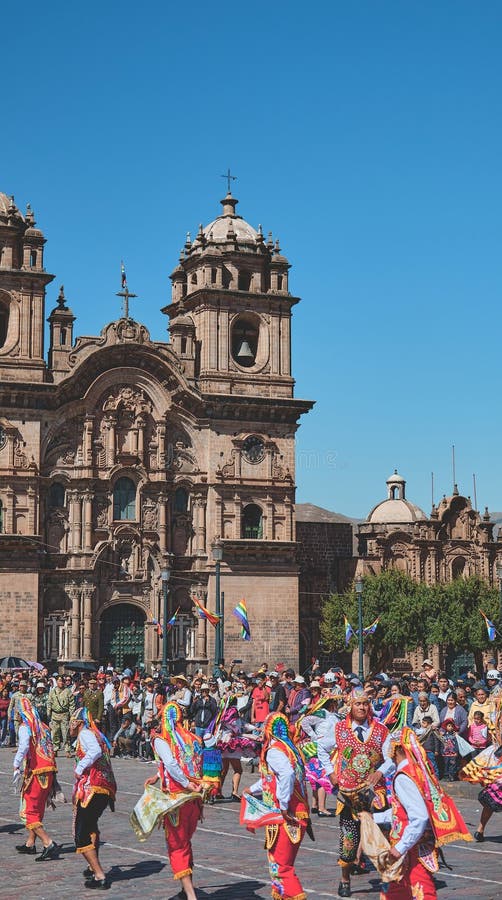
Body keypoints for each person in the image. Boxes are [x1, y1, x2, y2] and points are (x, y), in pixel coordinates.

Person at [373, 726, 472, 899]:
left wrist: (401, 847)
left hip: (410, 848)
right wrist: (374, 818)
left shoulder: (404, 777)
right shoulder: (416, 771)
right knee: (398, 891)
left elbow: (418, 816)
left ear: (395, 749)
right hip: (412, 845)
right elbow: (402, 812)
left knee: (420, 891)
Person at [318, 687, 393, 897]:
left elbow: (391, 758)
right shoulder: (339, 729)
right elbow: (321, 749)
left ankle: (387, 877)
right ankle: (345, 878)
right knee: (349, 837)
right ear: (350, 706)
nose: (362, 707)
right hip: (348, 792)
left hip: (374, 793)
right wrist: (331, 773)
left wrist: (380, 772)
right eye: (358, 704)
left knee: (382, 836)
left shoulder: (381, 730)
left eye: (365, 703)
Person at [246, 711, 310, 900]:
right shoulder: (289, 748)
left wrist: (283, 804)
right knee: (280, 864)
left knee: (282, 867)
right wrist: (252, 789)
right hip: (298, 812)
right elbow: (272, 779)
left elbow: (287, 775)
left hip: (285, 814)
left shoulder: (274, 750)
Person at [148, 701, 204, 900]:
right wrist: (157, 774)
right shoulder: (191, 738)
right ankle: (185, 889)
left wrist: (185, 783)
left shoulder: (162, 739)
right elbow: (181, 761)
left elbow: (172, 763)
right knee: (185, 842)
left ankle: (190, 895)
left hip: (177, 800)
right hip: (195, 800)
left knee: (177, 845)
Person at [70, 707, 117, 890]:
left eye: (73, 722)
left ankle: (99, 875)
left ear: (79, 722)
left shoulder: (85, 734)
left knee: (81, 833)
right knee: (91, 826)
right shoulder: (95, 734)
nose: (70, 726)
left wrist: (80, 768)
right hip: (103, 789)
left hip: (93, 789)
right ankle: (92, 866)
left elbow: (95, 751)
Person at [13, 696, 60, 861]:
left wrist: (16, 764)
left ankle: (47, 842)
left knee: (28, 810)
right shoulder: (44, 727)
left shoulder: (26, 727)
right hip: (48, 771)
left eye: (18, 712)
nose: (17, 716)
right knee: (38, 807)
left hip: (36, 771)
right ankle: (30, 843)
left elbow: (24, 746)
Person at [47, 674, 75, 756]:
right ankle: (55, 749)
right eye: (59, 681)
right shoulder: (53, 691)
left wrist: (72, 715)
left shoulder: (68, 691)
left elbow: (71, 704)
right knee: (55, 733)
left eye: (62, 681)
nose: (61, 683)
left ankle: (67, 750)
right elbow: (49, 702)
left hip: (64, 715)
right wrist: (48, 712)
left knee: (65, 733)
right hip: (55, 715)